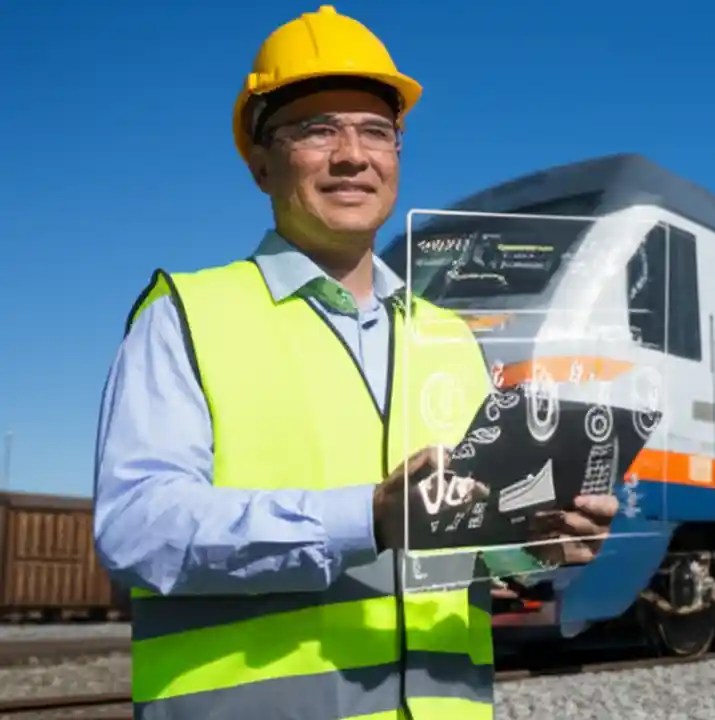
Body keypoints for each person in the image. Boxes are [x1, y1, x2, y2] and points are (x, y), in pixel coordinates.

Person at [91, 5, 617, 719]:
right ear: (259, 161)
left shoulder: (449, 339)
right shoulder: (186, 315)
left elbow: (462, 543)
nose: (352, 154)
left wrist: (536, 547)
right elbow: (137, 530)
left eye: (377, 131)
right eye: (316, 129)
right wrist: (364, 517)